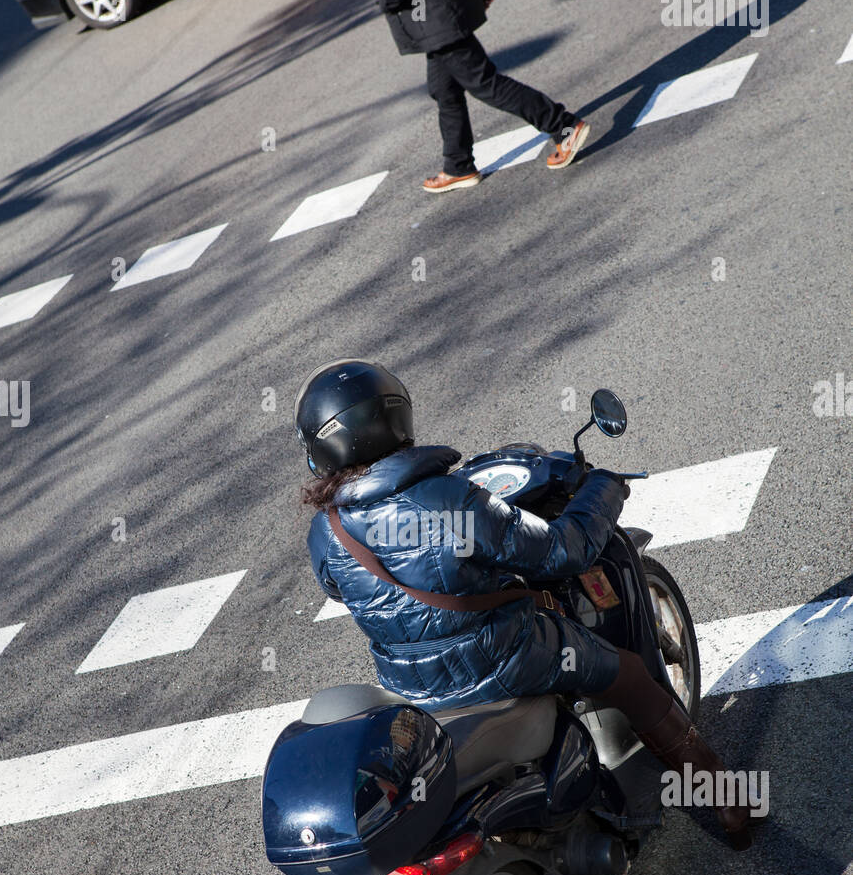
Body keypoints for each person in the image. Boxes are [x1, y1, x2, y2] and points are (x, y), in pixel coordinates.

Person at [296, 360, 755, 849]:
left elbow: (340, 590)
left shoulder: (328, 531)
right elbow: (563, 550)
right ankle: (727, 799)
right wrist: (602, 488)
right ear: (396, 417)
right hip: (508, 661)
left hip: (410, 689)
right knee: (629, 675)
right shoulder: (445, 497)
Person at [351, 0, 589, 192]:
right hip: (443, 9)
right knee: (443, 89)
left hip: (432, 14)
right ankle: (458, 165)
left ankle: (562, 124)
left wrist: (388, 0)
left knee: (484, 82)